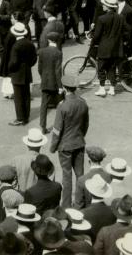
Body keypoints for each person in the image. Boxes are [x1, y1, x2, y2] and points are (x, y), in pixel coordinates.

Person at [50, 74, 89, 208]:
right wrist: (80, 136)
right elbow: (85, 125)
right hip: (79, 142)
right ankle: (81, 202)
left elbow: (57, 130)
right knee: (80, 175)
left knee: (67, 177)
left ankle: (66, 204)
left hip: (65, 146)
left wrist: (53, 147)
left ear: (64, 88)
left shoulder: (62, 106)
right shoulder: (83, 103)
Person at [90, 0, 124, 97]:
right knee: (112, 68)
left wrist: (93, 38)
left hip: (104, 47)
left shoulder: (102, 19)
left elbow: (97, 35)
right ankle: (112, 89)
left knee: (101, 68)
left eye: (104, 5)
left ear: (108, 6)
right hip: (116, 47)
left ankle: (102, 88)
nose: (102, 6)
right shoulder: (120, 17)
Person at [7, 23, 37, 126]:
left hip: (17, 74)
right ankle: (26, 117)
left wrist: (10, 68)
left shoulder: (16, 46)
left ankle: (20, 118)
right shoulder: (29, 43)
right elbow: (34, 59)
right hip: (27, 72)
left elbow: (14, 62)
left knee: (18, 97)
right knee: (26, 95)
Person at [37, 31, 63, 134]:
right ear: (57, 41)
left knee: (44, 105)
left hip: (45, 81)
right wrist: (60, 86)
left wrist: (43, 77)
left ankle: (42, 126)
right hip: (55, 83)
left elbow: (39, 68)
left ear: (48, 40)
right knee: (60, 105)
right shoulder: (58, 52)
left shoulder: (42, 51)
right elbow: (58, 71)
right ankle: (59, 127)